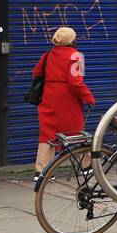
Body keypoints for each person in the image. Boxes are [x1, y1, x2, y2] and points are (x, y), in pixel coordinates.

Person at [32, 26, 95, 183]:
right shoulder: (76, 56)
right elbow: (75, 82)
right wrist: (89, 97)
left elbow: (36, 73)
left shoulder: (47, 55)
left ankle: (41, 171)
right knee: (75, 132)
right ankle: (86, 167)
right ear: (71, 41)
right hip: (68, 100)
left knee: (47, 133)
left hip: (48, 97)